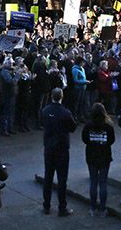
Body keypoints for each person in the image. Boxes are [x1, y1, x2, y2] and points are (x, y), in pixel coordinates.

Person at [40, 87, 76, 217]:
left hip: (49, 148)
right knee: (62, 179)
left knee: (48, 177)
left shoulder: (45, 110)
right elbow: (73, 127)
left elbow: (42, 122)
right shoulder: (65, 112)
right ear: (62, 97)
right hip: (62, 148)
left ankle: (46, 205)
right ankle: (62, 207)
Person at [81, 102, 115, 217]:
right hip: (104, 156)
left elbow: (84, 139)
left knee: (93, 181)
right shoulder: (108, 126)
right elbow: (111, 140)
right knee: (103, 182)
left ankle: (92, 207)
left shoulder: (88, 125)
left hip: (91, 156)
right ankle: (103, 208)